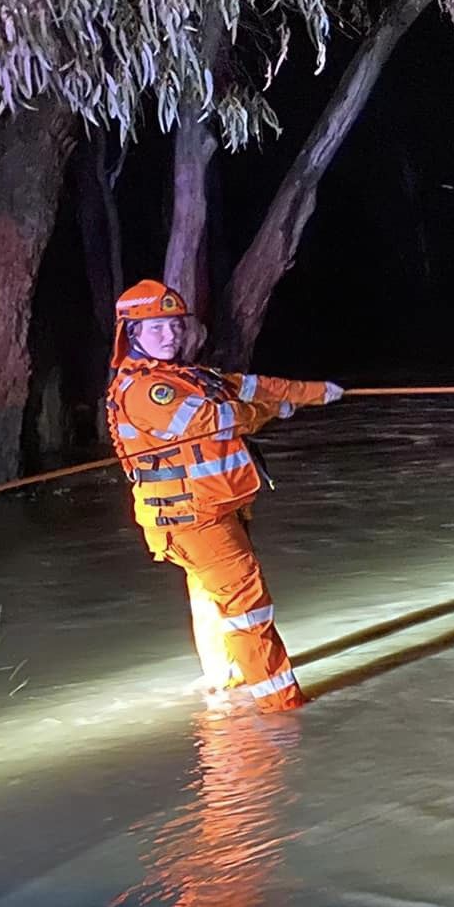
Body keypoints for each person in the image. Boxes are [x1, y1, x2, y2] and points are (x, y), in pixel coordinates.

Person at [104, 281, 343, 712]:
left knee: (211, 597)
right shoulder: (145, 390)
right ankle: (282, 708)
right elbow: (214, 419)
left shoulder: (188, 376)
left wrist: (314, 393)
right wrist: (272, 410)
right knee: (248, 606)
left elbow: (250, 386)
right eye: (156, 327)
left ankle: (225, 681)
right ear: (132, 334)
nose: (170, 335)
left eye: (175, 325)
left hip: (211, 509)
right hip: (193, 518)